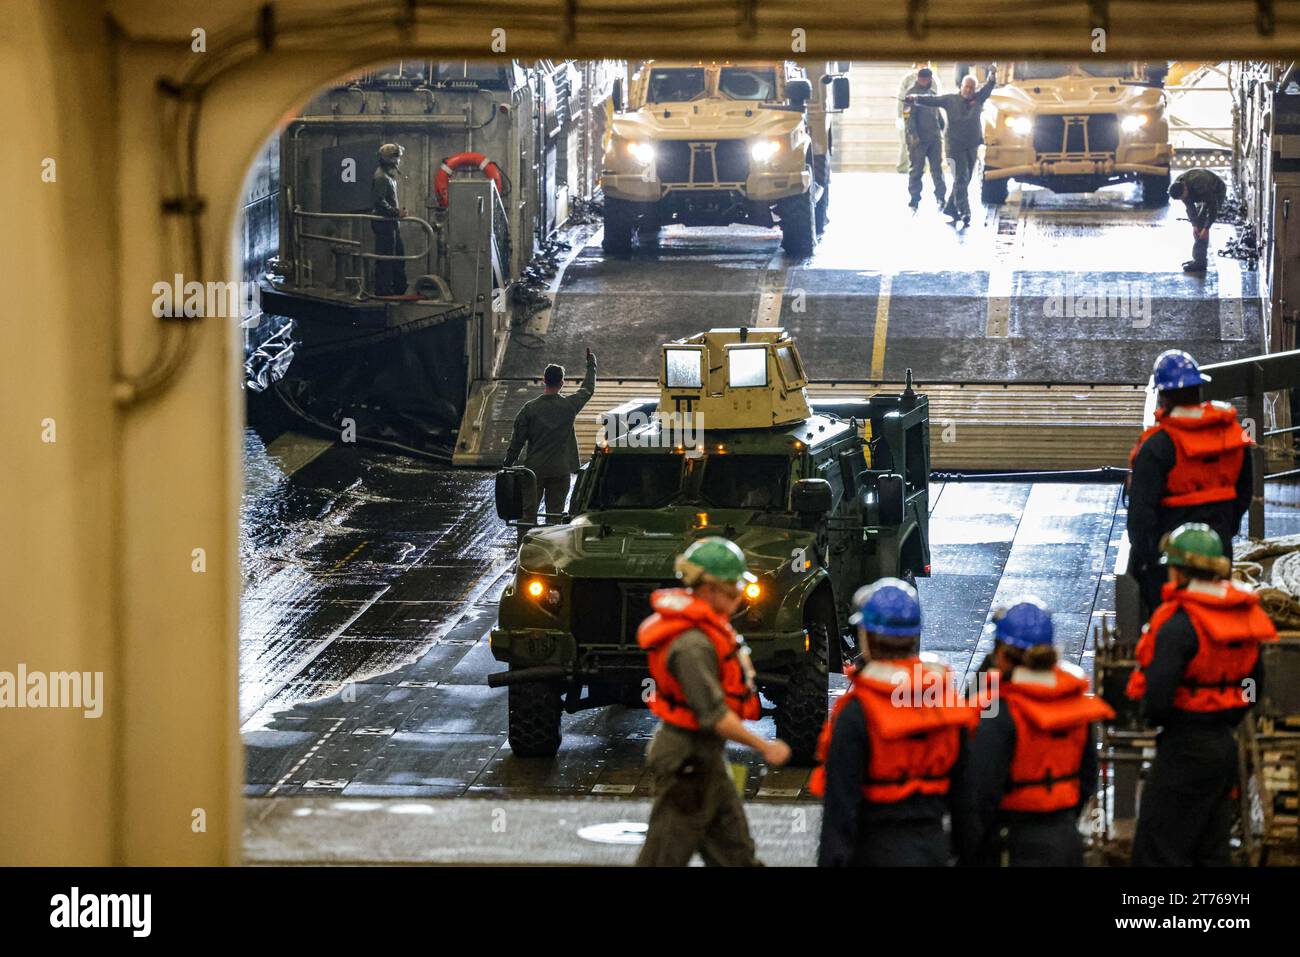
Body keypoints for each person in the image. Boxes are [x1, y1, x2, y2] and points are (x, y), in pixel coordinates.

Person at [1127, 524, 1277, 866]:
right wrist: (1234, 709)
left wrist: (1155, 717)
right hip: (1223, 744)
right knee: (1211, 849)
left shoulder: (1179, 625)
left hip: (1184, 746)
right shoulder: (1243, 618)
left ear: (1178, 570)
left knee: (1157, 849)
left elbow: (1159, 694)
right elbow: (1254, 685)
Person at [635, 538, 790, 866]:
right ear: (708, 589)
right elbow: (714, 715)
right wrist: (764, 746)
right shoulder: (693, 646)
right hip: (685, 765)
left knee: (737, 856)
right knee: (662, 859)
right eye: (732, 587)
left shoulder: (709, 630)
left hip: (707, 760)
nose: (738, 595)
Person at [812, 578, 978, 866]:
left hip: (875, 851)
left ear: (867, 636)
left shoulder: (856, 713)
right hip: (933, 850)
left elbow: (840, 814)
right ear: (915, 636)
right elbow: (967, 802)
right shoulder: (949, 705)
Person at [955, 599, 1113, 866]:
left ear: (1002, 654)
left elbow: (980, 794)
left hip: (1013, 844)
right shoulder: (1075, 707)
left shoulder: (1000, 715)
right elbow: (1088, 776)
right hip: (1065, 841)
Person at [1127, 349, 1253, 615]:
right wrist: (1223, 532)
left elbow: (1141, 515)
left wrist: (1147, 561)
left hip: (1170, 560)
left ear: (1162, 396)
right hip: (1217, 548)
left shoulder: (1156, 446)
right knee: (1213, 614)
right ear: (1199, 391)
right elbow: (1244, 493)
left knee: (1172, 621)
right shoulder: (1234, 435)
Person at [502, 348, 597, 523]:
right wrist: (591, 365)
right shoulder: (569, 406)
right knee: (554, 514)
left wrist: (507, 464)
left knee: (527, 515)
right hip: (561, 470)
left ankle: (524, 546)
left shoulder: (529, 409)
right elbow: (588, 389)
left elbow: (517, 441)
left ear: (544, 381)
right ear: (562, 383)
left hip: (533, 471)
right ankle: (550, 547)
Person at [906, 66, 997, 226]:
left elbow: (989, 87)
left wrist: (992, 75)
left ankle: (950, 208)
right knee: (960, 178)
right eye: (965, 87)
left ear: (974, 89)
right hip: (954, 148)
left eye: (971, 88)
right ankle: (964, 211)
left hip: (971, 146)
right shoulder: (950, 100)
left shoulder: (978, 99)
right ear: (961, 87)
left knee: (966, 180)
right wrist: (915, 98)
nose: (968, 90)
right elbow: (932, 101)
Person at [902, 67, 946, 210]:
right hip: (919, 140)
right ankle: (914, 198)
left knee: (937, 170)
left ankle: (941, 196)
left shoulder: (932, 94)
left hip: (934, 138)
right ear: (919, 79)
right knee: (916, 170)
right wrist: (913, 134)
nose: (925, 81)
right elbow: (908, 117)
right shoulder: (910, 95)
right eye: (923, 79)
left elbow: (937, 113)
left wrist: (942, 125)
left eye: (927, 79)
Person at [1169, 169, 1227, 273]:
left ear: (1185, 188)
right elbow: (1190, 207)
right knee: (1198, 227)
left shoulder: (1200, 183)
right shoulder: (1179, 186)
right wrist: (1194, 225)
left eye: (1183, 196)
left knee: (1202, 224)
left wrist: (1206, 227)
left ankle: (1200, 263)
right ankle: (1199, 260)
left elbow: (1212, 207)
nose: (1184, 199)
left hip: (1216, 191)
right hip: (1198, 193)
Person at [371, 143, 408, 296]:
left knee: (397, 255)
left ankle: (398, 288)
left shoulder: (387, 176)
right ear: (390, 159)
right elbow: (379, 202)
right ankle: (384, 291)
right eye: (397, 157)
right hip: (385, 224)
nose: (399, 160)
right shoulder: (381, 177)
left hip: (391, 223)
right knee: (386, 258)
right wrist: (396, 212)